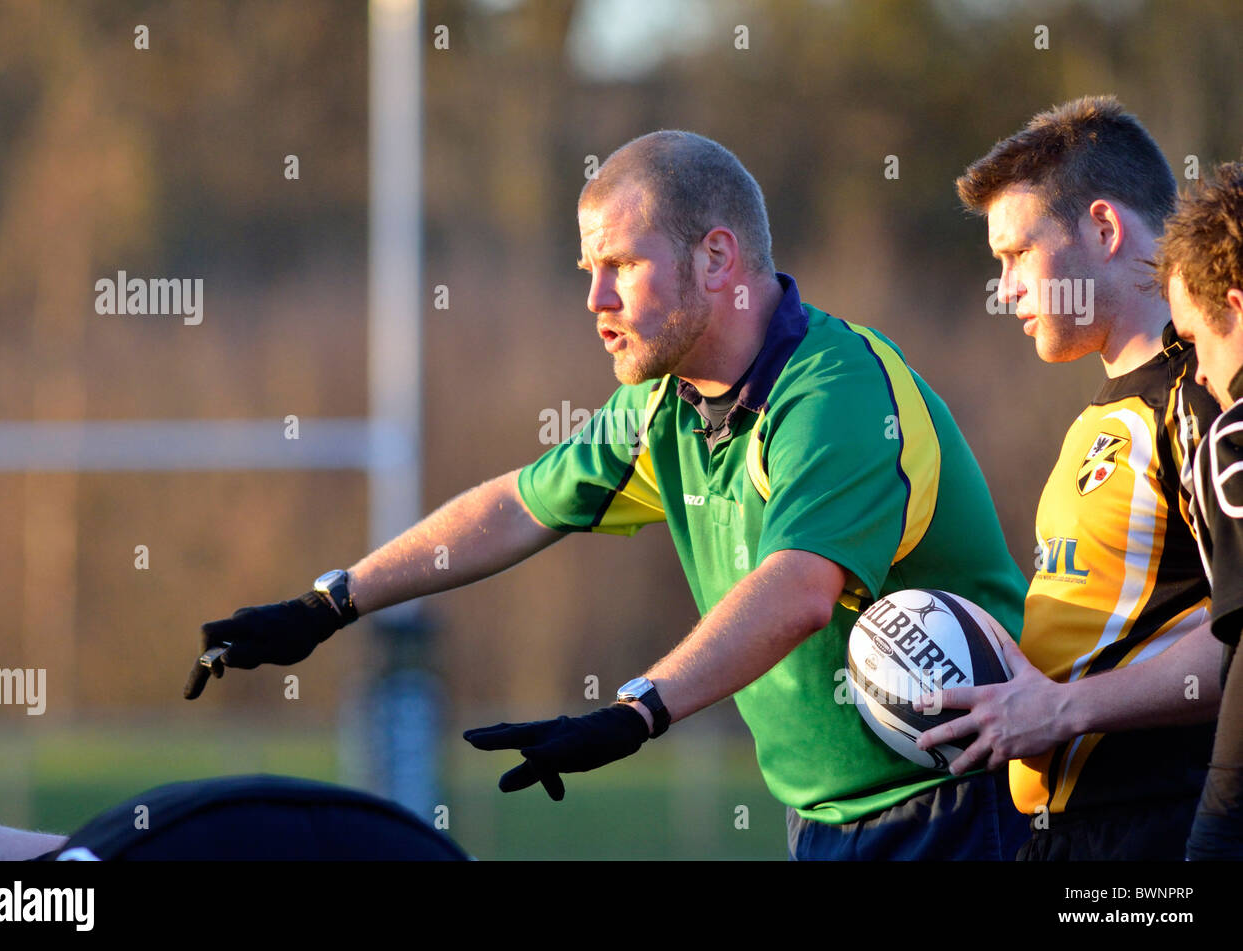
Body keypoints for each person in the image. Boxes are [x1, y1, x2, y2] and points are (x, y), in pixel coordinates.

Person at [186, 130, 1029, 860]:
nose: (595, 300)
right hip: (824, 817)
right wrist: (331, 602)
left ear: (717, 257)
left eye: (621, 265)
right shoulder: (664, 403)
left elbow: (800, 588)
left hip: (963, 803)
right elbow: (518, 505)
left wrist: (637, 712)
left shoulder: (835, 390)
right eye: (589, 269)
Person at [916, 96, 1224, 859]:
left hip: (1163, 828)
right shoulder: (1098, 413)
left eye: (1017, 253)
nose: (1004, 288)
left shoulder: (1203, 402)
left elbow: (1236, 640)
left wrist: (1061, 711)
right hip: (1065, 833)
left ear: (1104, 229)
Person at [1153, 160, 1243, 859]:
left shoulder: (1234, 438)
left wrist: (1212, 837)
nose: (1199, 373)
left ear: (1235, 309)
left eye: (1192, 341)